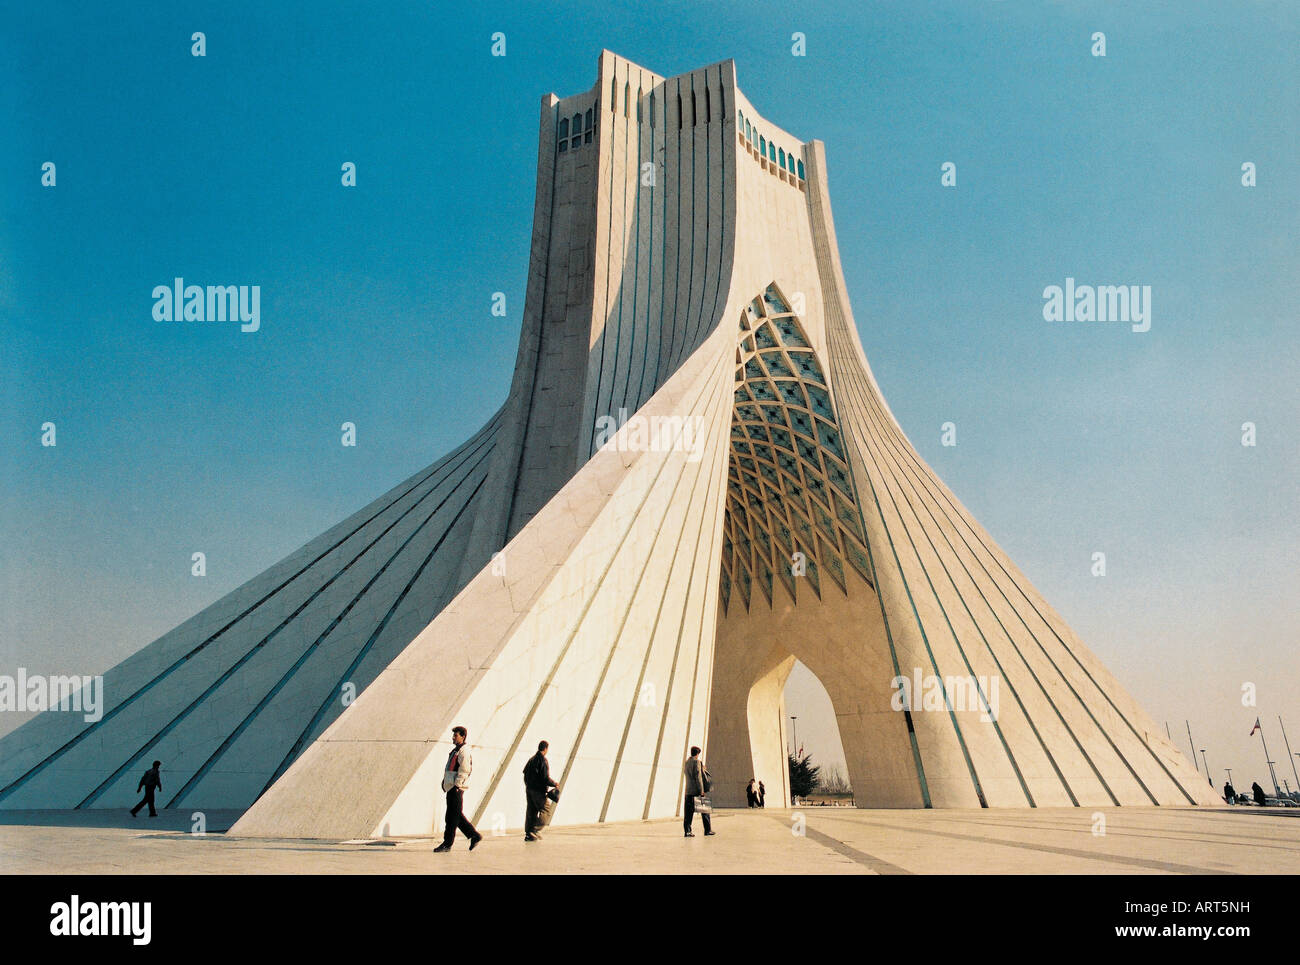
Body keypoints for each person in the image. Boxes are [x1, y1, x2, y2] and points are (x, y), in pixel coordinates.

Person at [434, 726, 483, 852]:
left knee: (451, 817)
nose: (453, 737)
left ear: (463, 736)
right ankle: (474, 835)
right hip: (451, 787)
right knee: (456, 816)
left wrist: (457, 785)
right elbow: (450, 769)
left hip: (456, 788)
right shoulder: (456, 750)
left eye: (456, 735)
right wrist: (445, 782)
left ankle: (447, 843)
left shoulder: (463, 752)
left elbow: (465, 770)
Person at [523, 739, 559, 842]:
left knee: (531, 811)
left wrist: (528, 786)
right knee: (546, 810)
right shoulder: (542, 760)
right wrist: (554, 783)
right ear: (546, 748)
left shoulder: (531, 759)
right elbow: (545, 778)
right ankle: (535, 830)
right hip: (538, 791)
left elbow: (525, 773)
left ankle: (528, 833)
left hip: (529, 789)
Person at [682, 746, 715, 837]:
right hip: (696, 791)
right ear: (697, 754)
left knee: (688, 813)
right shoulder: (697, 762)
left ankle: (687, 831)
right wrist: (701, 791)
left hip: (688, 791)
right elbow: (698, 777)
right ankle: (707, 830)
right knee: (705, 811)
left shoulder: (686, 762)